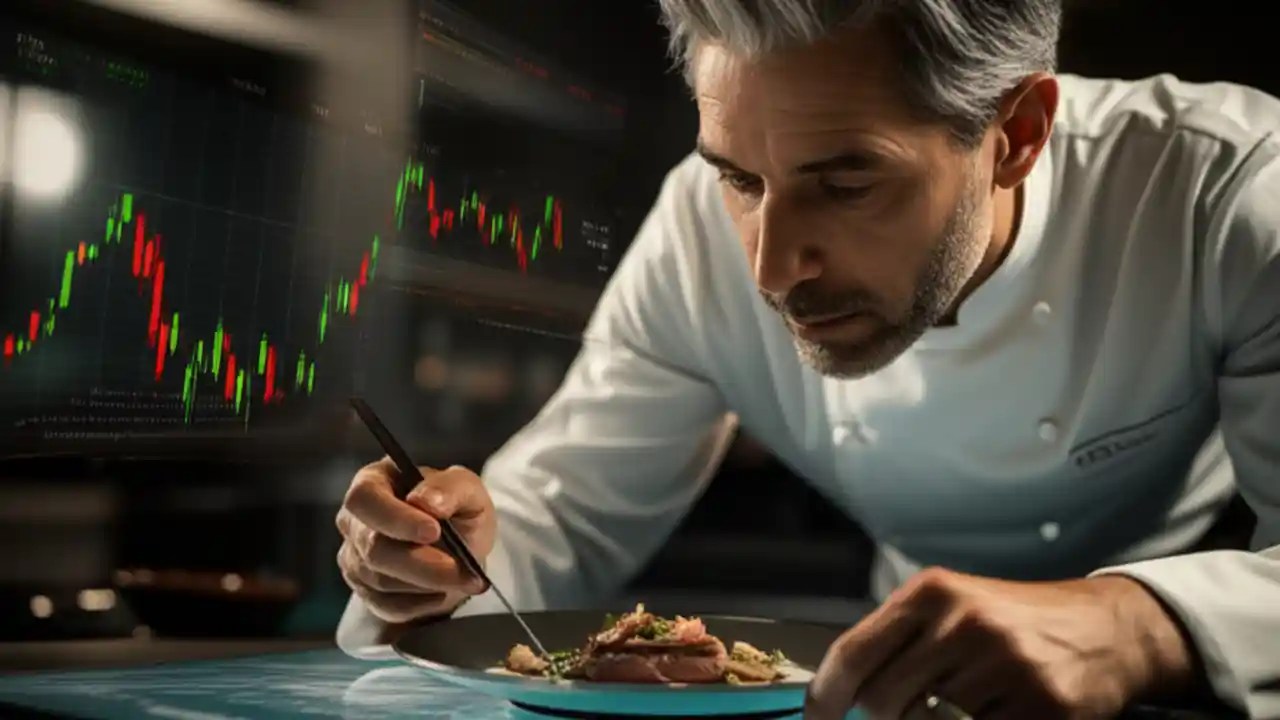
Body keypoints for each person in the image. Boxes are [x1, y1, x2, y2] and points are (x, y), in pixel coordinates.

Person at [334, 1, 1280, 717]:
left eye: (848, 181)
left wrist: (1135, 622)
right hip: (897, 695)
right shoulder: (698, 235)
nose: (771, 268)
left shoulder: (1230, 191)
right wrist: (442, 558)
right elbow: (561, 518)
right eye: (741, 178)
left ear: (1016, 136)